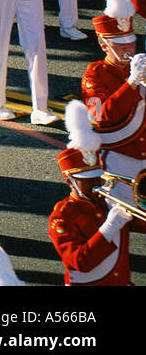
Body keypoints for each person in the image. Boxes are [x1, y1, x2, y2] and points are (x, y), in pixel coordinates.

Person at [50, 101, 133, 285]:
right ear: (70, 181)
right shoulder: (62, 217)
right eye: (87, 179)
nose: (96, 183)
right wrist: (110, 226)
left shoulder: (108, 200)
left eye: (98, 177)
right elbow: (81, 262)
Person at [82, 0, 146, 193]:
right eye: (120, 45)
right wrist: (132, 83)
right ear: (103, 45)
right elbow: (101, 117)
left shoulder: (140, 64)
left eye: (130, 43)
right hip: (120, 155)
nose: (128, 49)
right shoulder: (94, 76)